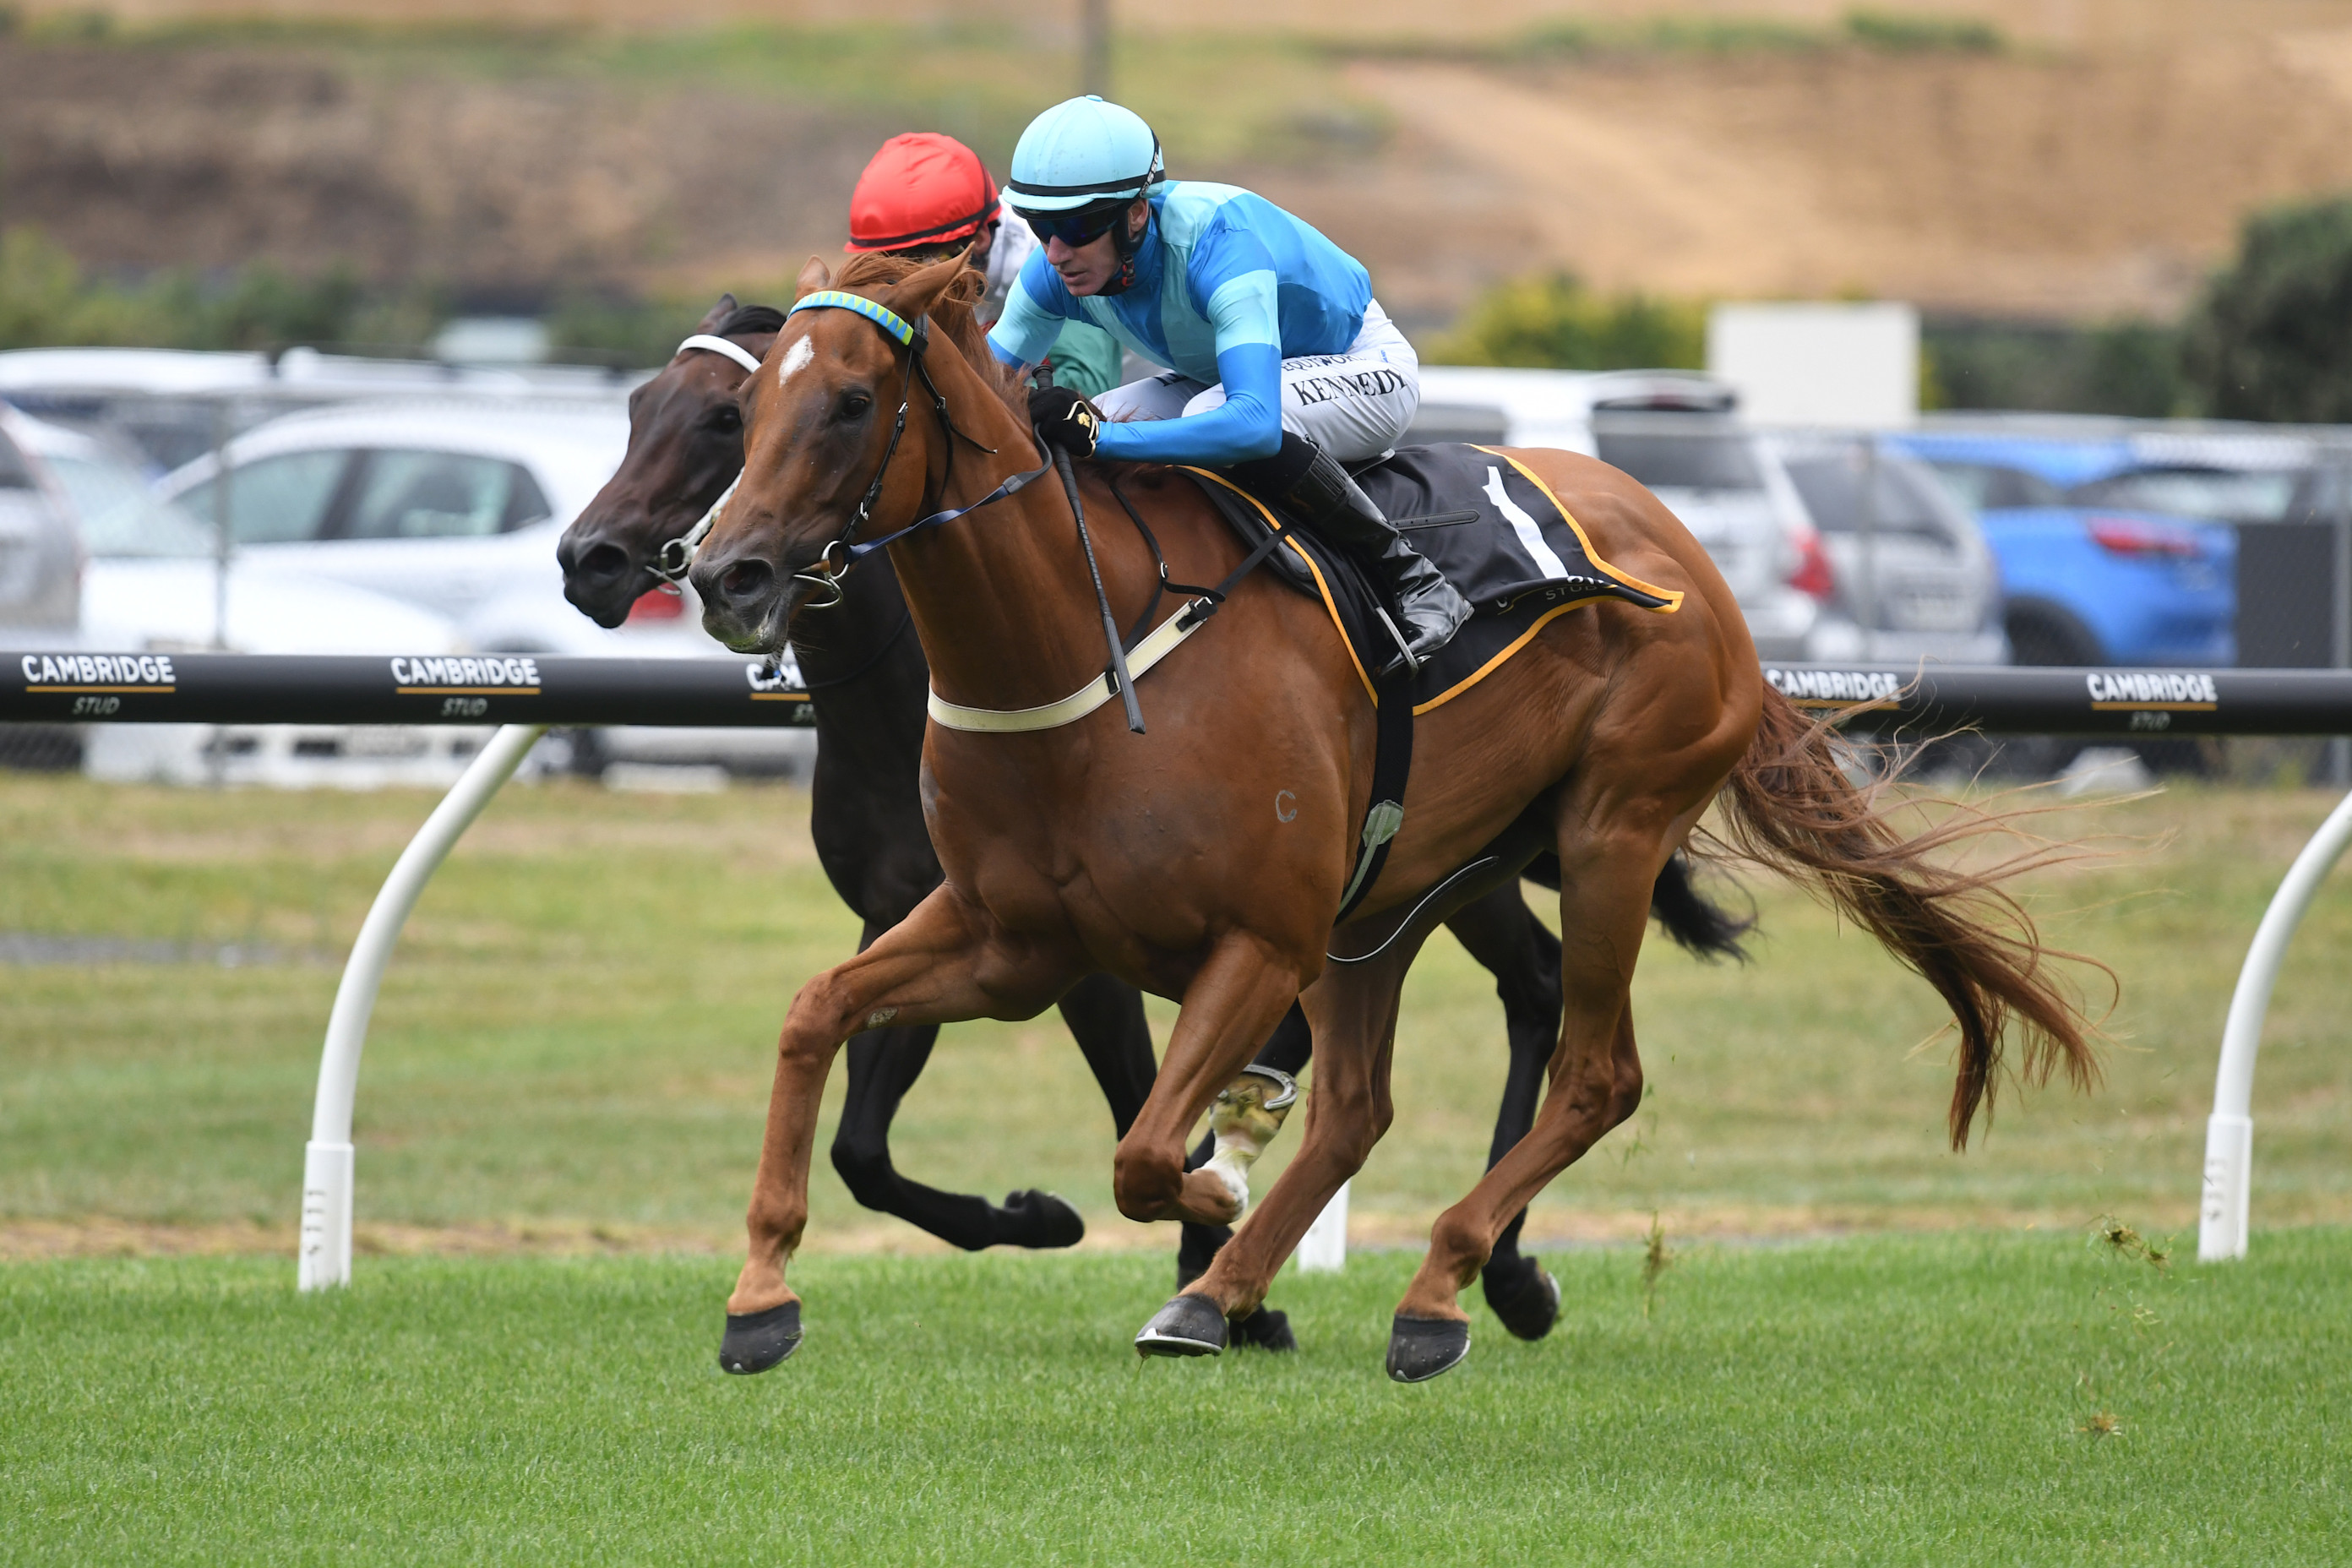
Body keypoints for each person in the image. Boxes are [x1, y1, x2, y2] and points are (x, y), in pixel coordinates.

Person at [987, 95, 1469, 676]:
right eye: (1041, 227)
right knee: (1100, 416)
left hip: (1361, 363)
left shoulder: (1218, 241)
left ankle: (1415, 579)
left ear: (1137, 213)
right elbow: (984, 391)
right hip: (1221, 370)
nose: (1056, 252)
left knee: (1171, 420)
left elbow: (1253, 423)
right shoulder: (1053, 269)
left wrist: (1103, 440)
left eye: (1076, 226)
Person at [845, 131, 1124, 399]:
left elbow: (1085, 385)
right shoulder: (973, 255)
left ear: (978, 239)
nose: (908, 284)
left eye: (918, 264)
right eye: (888, 263)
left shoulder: (1055, 257)